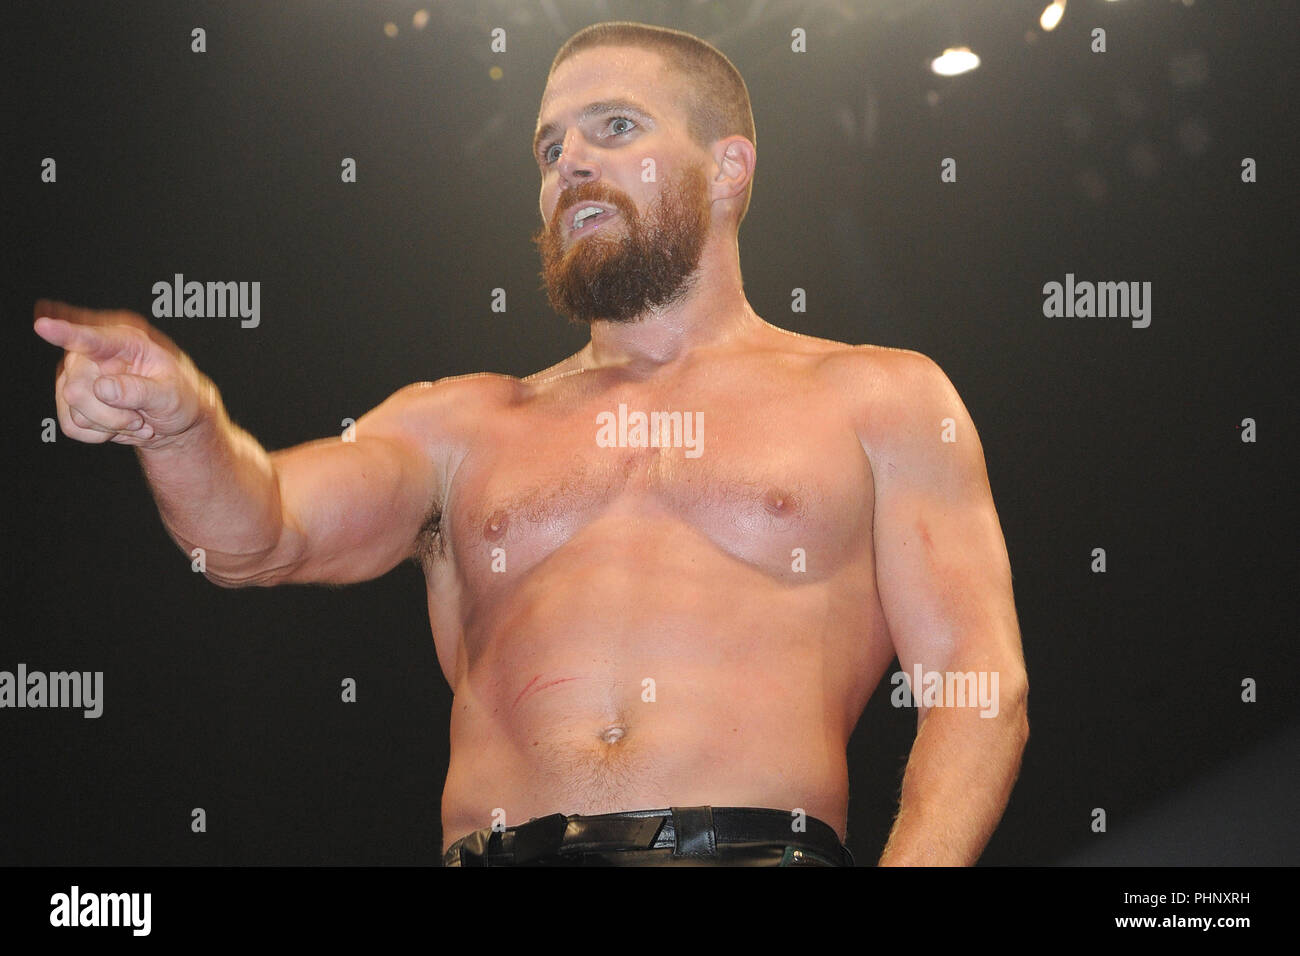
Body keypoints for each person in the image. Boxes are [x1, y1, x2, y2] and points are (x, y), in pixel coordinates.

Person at [33, 21, 1028, 866]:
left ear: (729, 168)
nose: (571, 165)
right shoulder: (461, 424)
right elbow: (261, 531)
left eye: (615, 128)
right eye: (550, 150)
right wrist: (183, 423)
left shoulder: (879, 395)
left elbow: (980, 685)